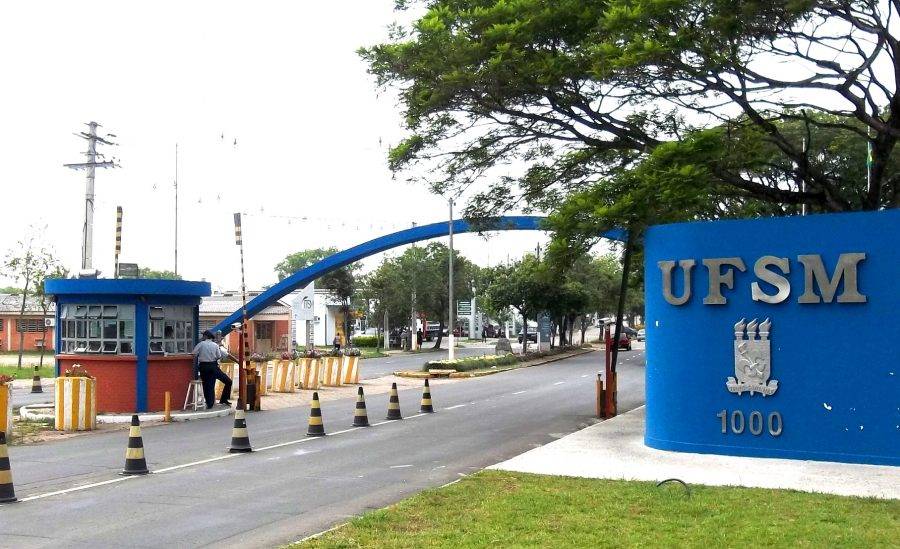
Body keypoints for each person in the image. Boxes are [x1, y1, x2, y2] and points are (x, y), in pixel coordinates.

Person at [192, 330, 232, 409]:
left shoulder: (201, 344)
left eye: (203, 336)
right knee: (228, 381)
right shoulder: (215, 345)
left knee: (207, 385)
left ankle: (209, 403)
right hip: (213, 366)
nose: (202, 337)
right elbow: (218, 356)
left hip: (203, 366)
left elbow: (194, 353)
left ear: (206, 336)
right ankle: (224, 399)